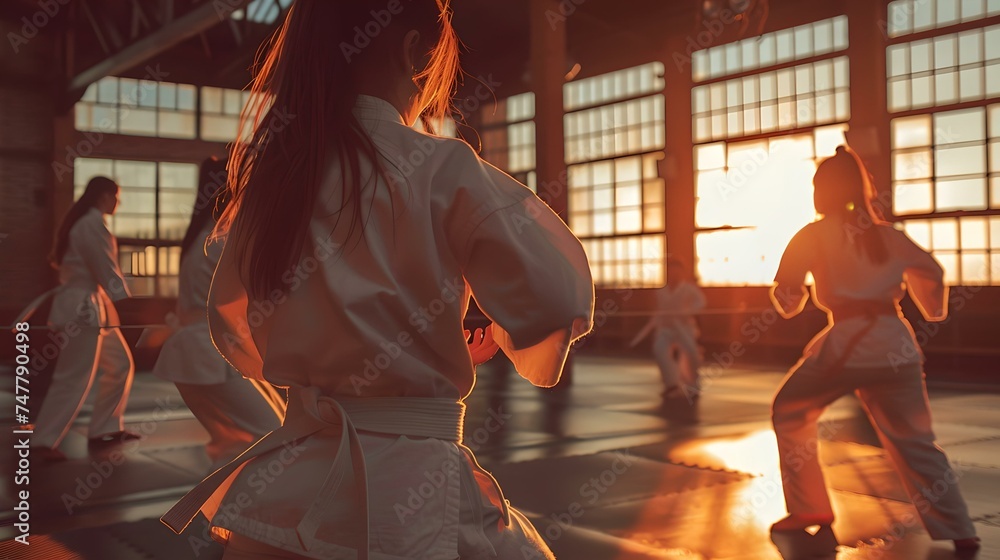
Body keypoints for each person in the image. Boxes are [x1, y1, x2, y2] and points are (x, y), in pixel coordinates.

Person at [161, 2, 595, 559]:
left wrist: (353, 360)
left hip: (283, 493)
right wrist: (478, 342)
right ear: (413, 51)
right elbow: (555, 298)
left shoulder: (277, 180)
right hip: (411, 490)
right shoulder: (443, 168)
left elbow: (233, 321)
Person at [768, 146, 979, 552]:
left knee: (790, 410)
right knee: (915, 439)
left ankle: (810, 509)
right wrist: (932, 310)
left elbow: (789, 299)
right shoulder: (887, 235)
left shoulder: (813, 234)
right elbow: (932, 271)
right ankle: (961, 529)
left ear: (823, 190)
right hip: (894, 342)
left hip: (846, 345)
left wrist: (788, 295)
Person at [151, 157, 284, 471]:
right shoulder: (223, 239)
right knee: (276, 437)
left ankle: (225, 500)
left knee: (236, 442)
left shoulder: (203, 236)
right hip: (211, 354)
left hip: (194, 353)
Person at [23, 176, 139, 462]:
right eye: (116, 196)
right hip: (82, 309)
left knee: (120, 365)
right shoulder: (90, 224)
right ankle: (42, 442)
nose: (118, 202)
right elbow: (105, 267)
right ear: (104, 196)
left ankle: (105, 427)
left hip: (92, 306)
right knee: (73, 377)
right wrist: (129, 305)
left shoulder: (88, 222)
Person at [629, 258, 705, 399]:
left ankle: (693, 385)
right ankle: (671, 384)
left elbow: (701, 302)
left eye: (677, 271)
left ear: (681, 273)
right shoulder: (661, 291)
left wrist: (687, 312)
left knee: (691, 353)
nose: (674, 274)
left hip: (684, 327)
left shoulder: (689, 289)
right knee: (659, 350)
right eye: (671, 271)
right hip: (665, 327)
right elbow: (657, 308)